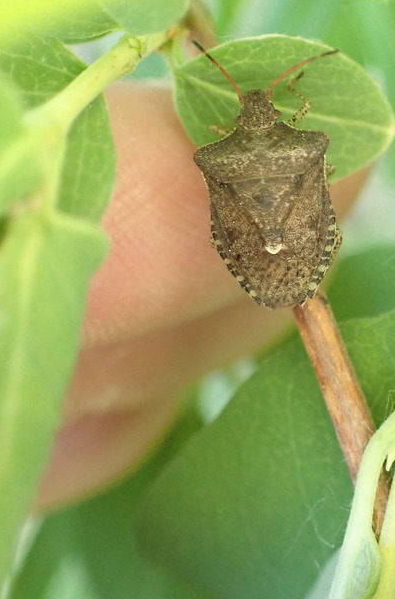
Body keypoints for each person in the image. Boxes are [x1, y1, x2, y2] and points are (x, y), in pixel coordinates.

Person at [36, 82, 367, 509]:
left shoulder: (219, 159)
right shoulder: (306, 146)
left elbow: (221, 230)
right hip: (300, 234)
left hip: (261, 248)